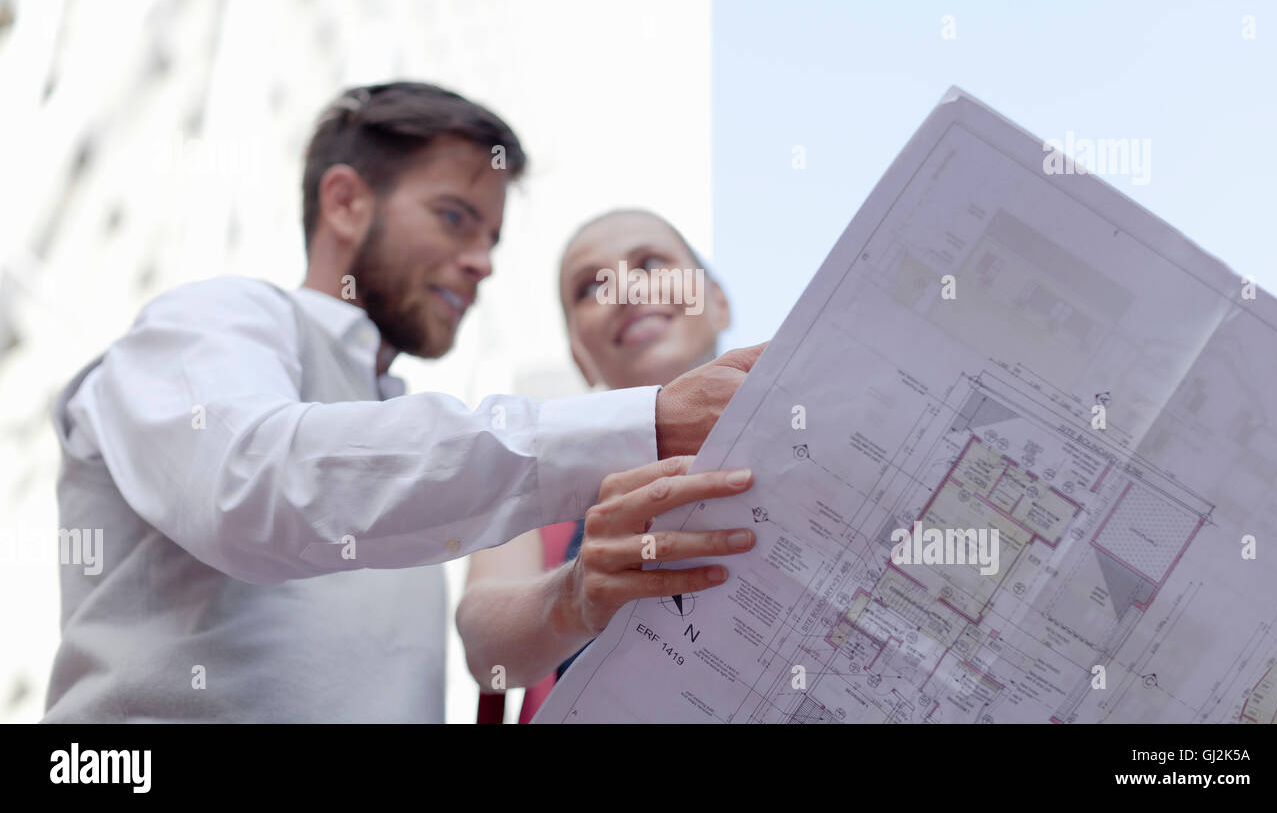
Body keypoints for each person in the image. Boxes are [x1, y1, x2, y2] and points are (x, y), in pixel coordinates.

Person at [42, 83, 761, 722]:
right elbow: (253, 484)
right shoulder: (213, 319)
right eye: (455, 217)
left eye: (491, 238)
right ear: (347, 202)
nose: (482, 261)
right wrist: (647, 422)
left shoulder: (417, 458)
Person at [457, 209, 747, 716]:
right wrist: (573, 596)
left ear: (718, 303)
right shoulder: (536, 484)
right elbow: (484, 644)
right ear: (578, 354)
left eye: (652, 262)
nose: (625, 291)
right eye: (590, 288)